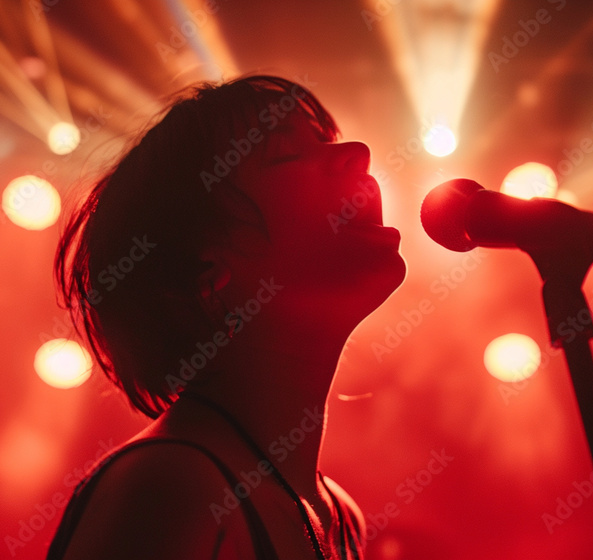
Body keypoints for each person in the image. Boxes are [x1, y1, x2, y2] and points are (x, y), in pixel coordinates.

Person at [48, 75, 406, 559]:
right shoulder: (170, 489)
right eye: (287, 154)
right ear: (210, 273)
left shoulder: (340, 517)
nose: (356, 153)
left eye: (326, 142)